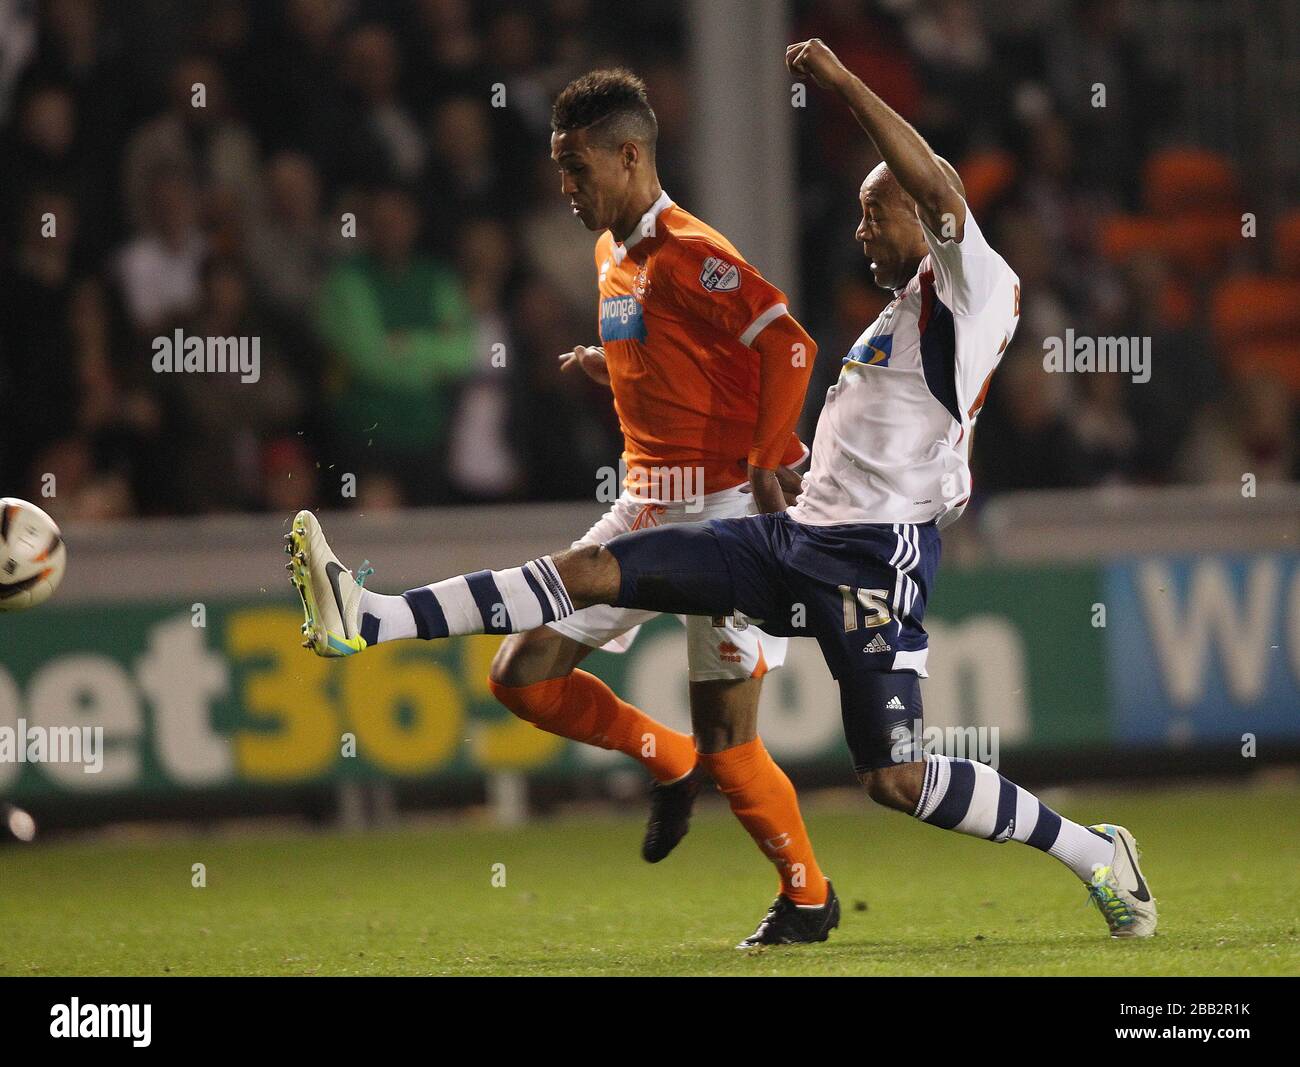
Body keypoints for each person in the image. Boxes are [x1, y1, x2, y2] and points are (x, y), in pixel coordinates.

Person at [287, 41, 1155, 941]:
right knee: (592, 572)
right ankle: (371, 618)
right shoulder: (899, 311)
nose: (861, 233)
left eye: (874, 215)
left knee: (897, 778)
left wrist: (845, 87)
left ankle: (1094, 852)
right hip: (791, 542)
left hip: (871, 560)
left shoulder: (973, 290)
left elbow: (928, 196)